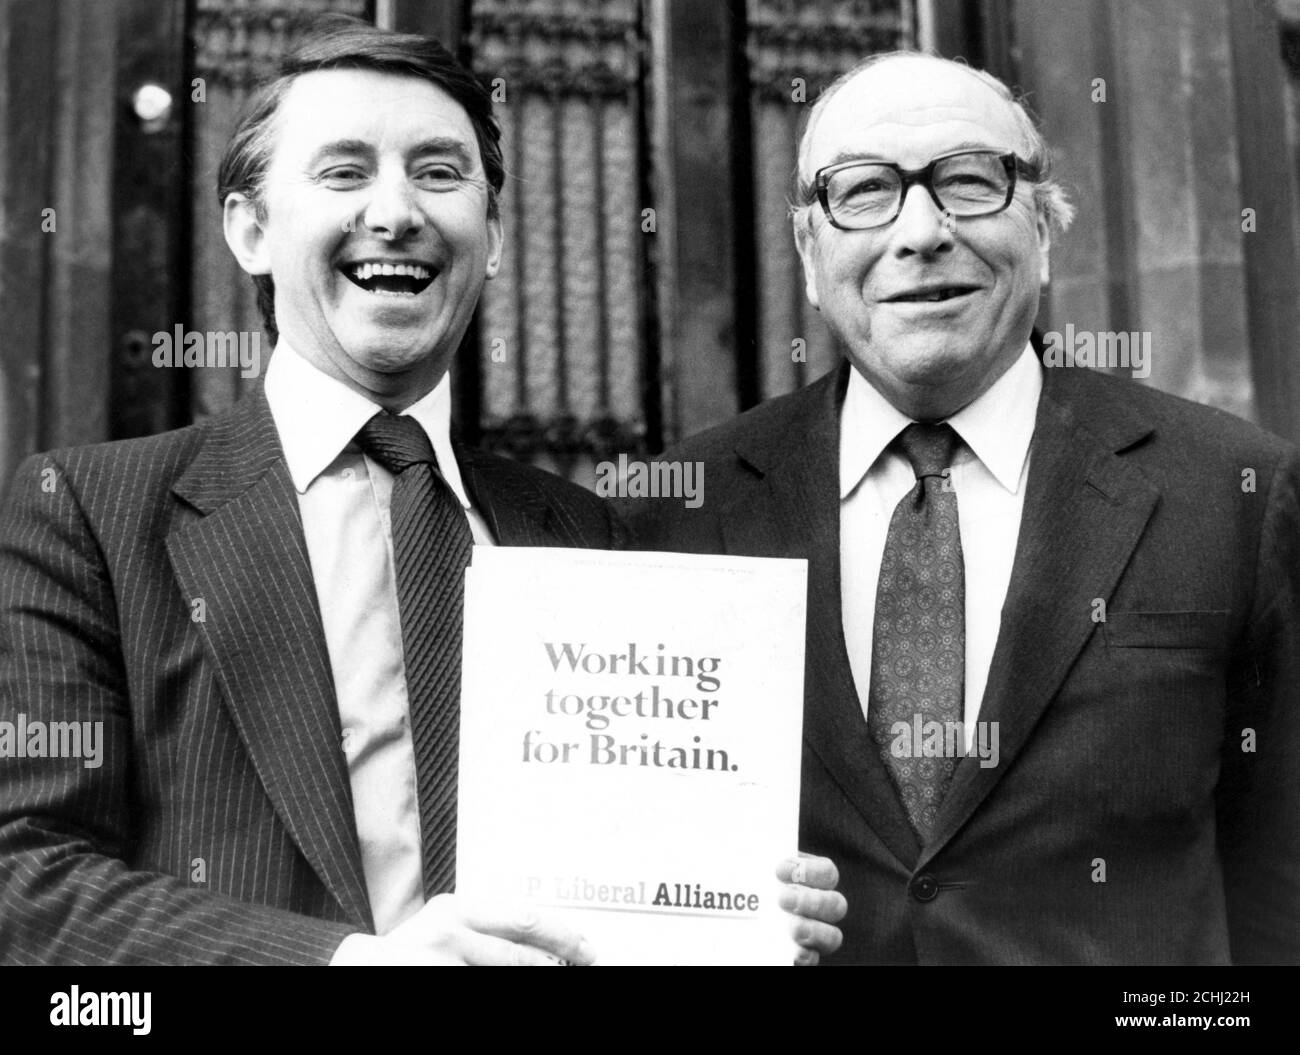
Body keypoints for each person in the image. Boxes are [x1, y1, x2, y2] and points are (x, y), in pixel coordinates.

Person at [0, 15, 844, 966]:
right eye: (344, 172)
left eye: (440, 174)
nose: (396, 211)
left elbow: (638, 885)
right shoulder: (91, 514)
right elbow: (26, 879)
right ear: (249, 230)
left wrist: (737, 914)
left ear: (489, 240)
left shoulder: (582, 531)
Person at [624, 51, 1300, 964]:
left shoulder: (1234, 493)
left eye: (968, 182)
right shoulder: (678, 515)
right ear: (808, 254)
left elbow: (1280, 889)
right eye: (863, 192)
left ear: (1045, 228)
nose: (920, 232)